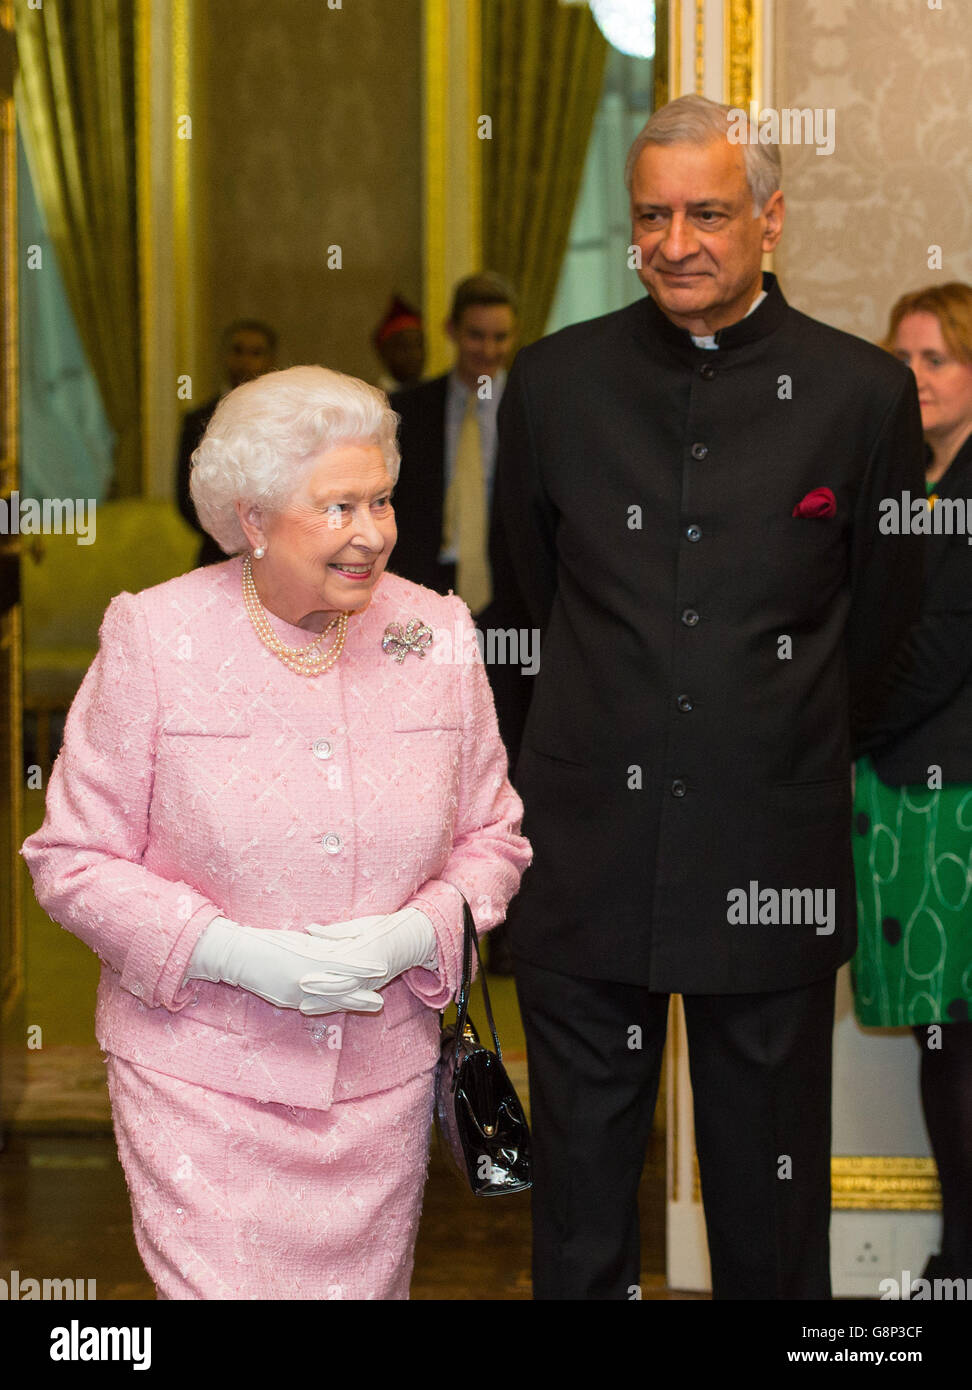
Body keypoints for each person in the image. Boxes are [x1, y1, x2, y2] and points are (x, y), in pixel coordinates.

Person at [492, 93, 925, 1299]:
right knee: (580, 1208)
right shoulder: (555, 382)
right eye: (652, 215)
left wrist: (778, 737)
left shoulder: (861, 395)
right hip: (585, 855)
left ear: (771, 219)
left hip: (768, 850)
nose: (675, 241)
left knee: (771, 1214)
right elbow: (526, 612)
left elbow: (880, 629)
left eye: (708, 213)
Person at [21, 366, 531, 1300]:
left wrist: (413, 934)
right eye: (338, 506)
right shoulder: (156, 637)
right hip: (200, 1081)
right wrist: (229, 953)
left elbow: (493, 838)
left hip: (381, 1087)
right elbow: (70, 859)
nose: (372, 532)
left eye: (380, 499)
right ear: (252, 519)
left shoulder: (437, 633)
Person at [852, 282, 972, 1285]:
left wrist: (829, 729)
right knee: (950, 1040)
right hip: (910, 800)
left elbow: (933, 655)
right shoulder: (914, 483)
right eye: (903, 356)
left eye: (937, 358)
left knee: (962, 1040)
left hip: (952, 806)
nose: (914, 376)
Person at [391, 272, 530, 973]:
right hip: (421, 596)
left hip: (508, 604)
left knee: (502, 757)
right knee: (425, 752)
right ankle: (424, 922)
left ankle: (499, 924)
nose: (487, 350)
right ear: (452, 332)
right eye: (476, 336)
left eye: (501, 338)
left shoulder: (532, 410)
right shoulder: (404, 411)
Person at [175, 319, 278, 566]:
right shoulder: (198, 420)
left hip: (276, 552)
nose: (245, 361)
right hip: (216, 554)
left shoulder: (285, 418)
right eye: (238, 351)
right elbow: (186, 496)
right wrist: (232, 533)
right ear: (225, 356)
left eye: (255, 353)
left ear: (270, 360)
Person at [372, 294, 425, 393]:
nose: (415, 355)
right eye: (405, 347)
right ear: (385, 353)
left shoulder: (432, 395)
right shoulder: (374, 398)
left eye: (419, 345)